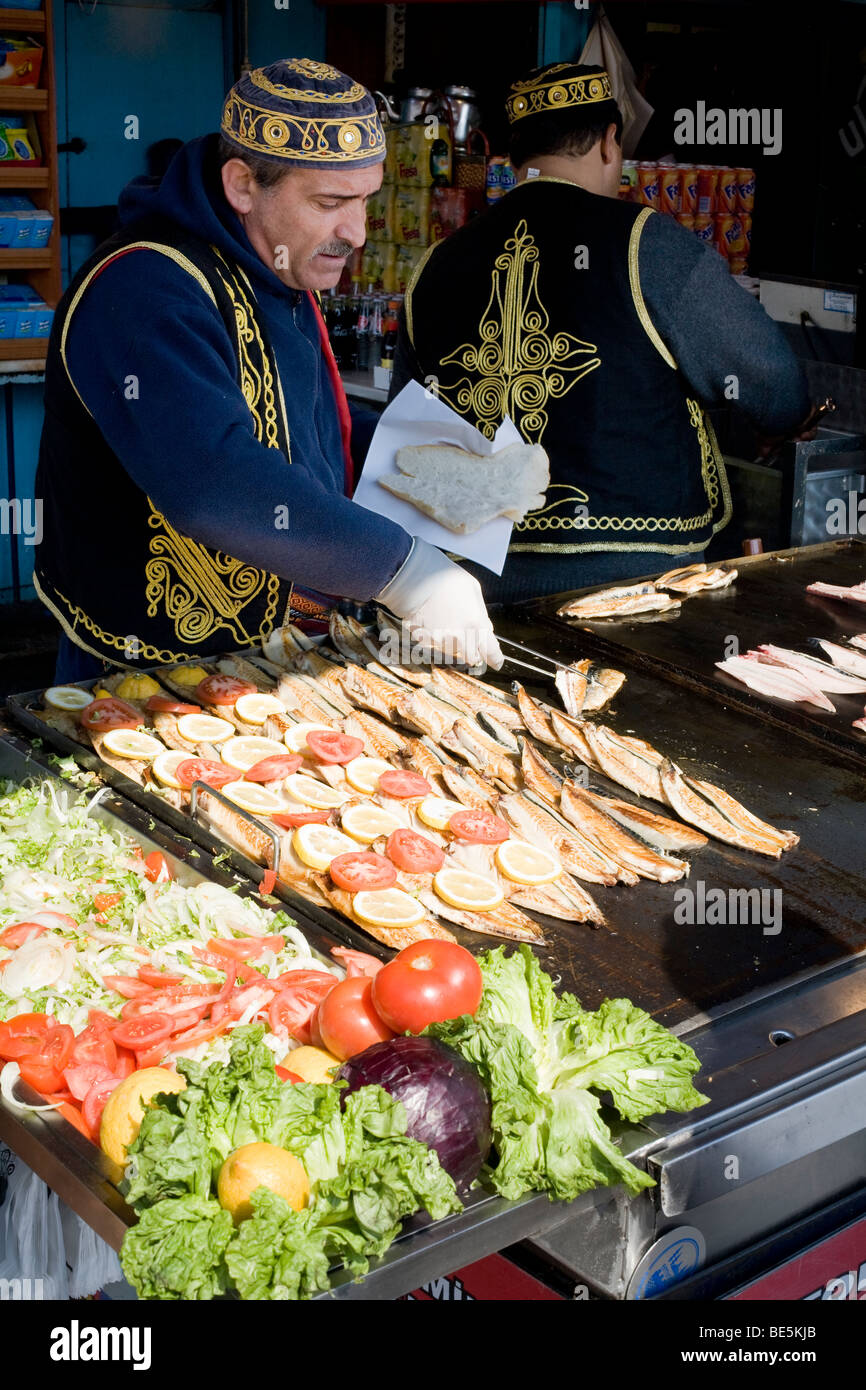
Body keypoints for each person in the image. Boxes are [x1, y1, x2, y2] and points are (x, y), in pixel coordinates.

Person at [35, 58, 502, 680]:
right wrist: (407, 572)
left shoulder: (273, 261)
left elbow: (298, 419)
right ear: (242, 185)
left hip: (273, 649)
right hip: (148, 668)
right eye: (330, 202)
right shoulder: (144, 289)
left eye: (366, 200)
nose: (357, 233)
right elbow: (212, 478)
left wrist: (439, 463)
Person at [391, 62, 813, 603]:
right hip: (638, 581)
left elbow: (407, 438)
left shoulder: (436, 265)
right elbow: (775, 389)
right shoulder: (646, 244)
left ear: (515, 155)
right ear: (611, 143)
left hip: (472, 589)